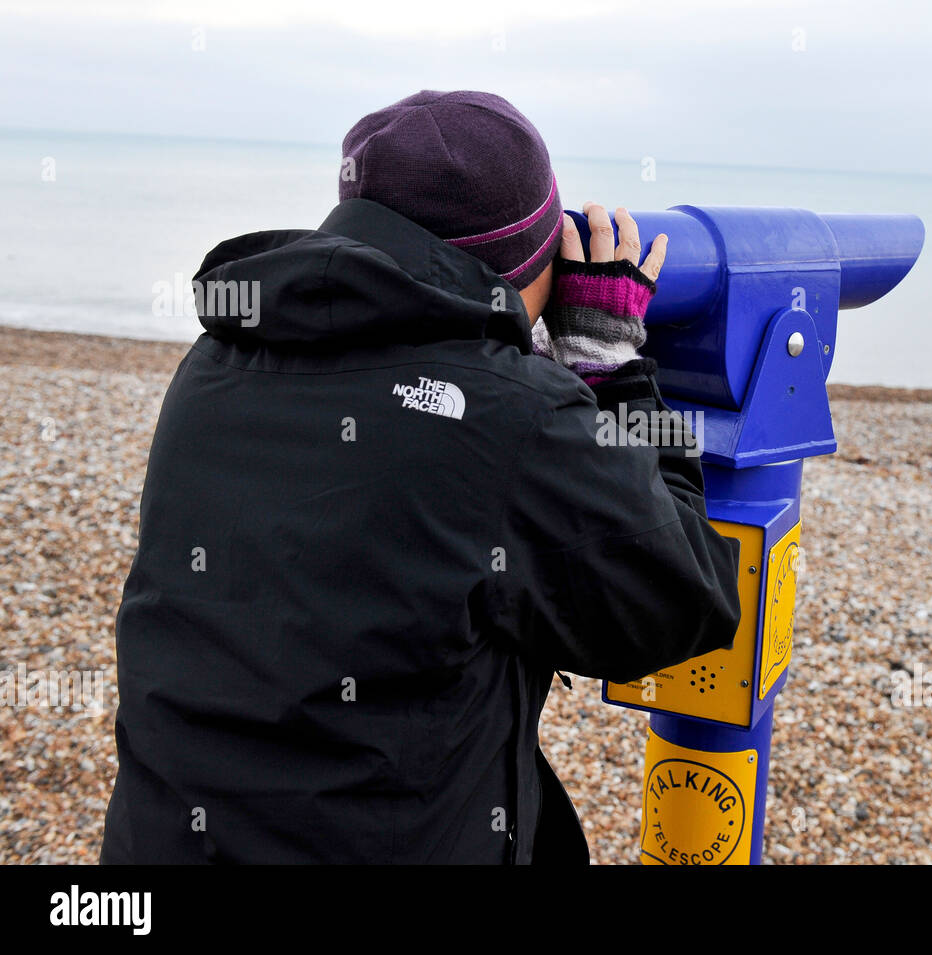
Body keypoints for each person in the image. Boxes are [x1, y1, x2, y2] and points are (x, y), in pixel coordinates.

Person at [99, 90, 742, 864]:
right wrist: (609, 368)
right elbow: (684, 596)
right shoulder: (512, 416)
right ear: (531, 262)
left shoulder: (213, 362)